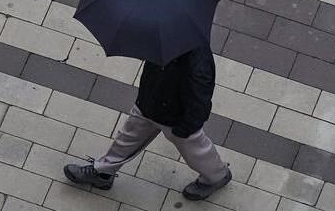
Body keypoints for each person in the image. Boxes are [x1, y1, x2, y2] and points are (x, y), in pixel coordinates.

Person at [63, 43, 231, 201]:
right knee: (126, 138)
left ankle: (217, 176)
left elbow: (200, 102)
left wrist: (187, 127)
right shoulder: (161, 39)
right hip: (147, 104)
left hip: (175, 119)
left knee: (197, 151)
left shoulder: (198, 60)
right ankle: (103, 172)